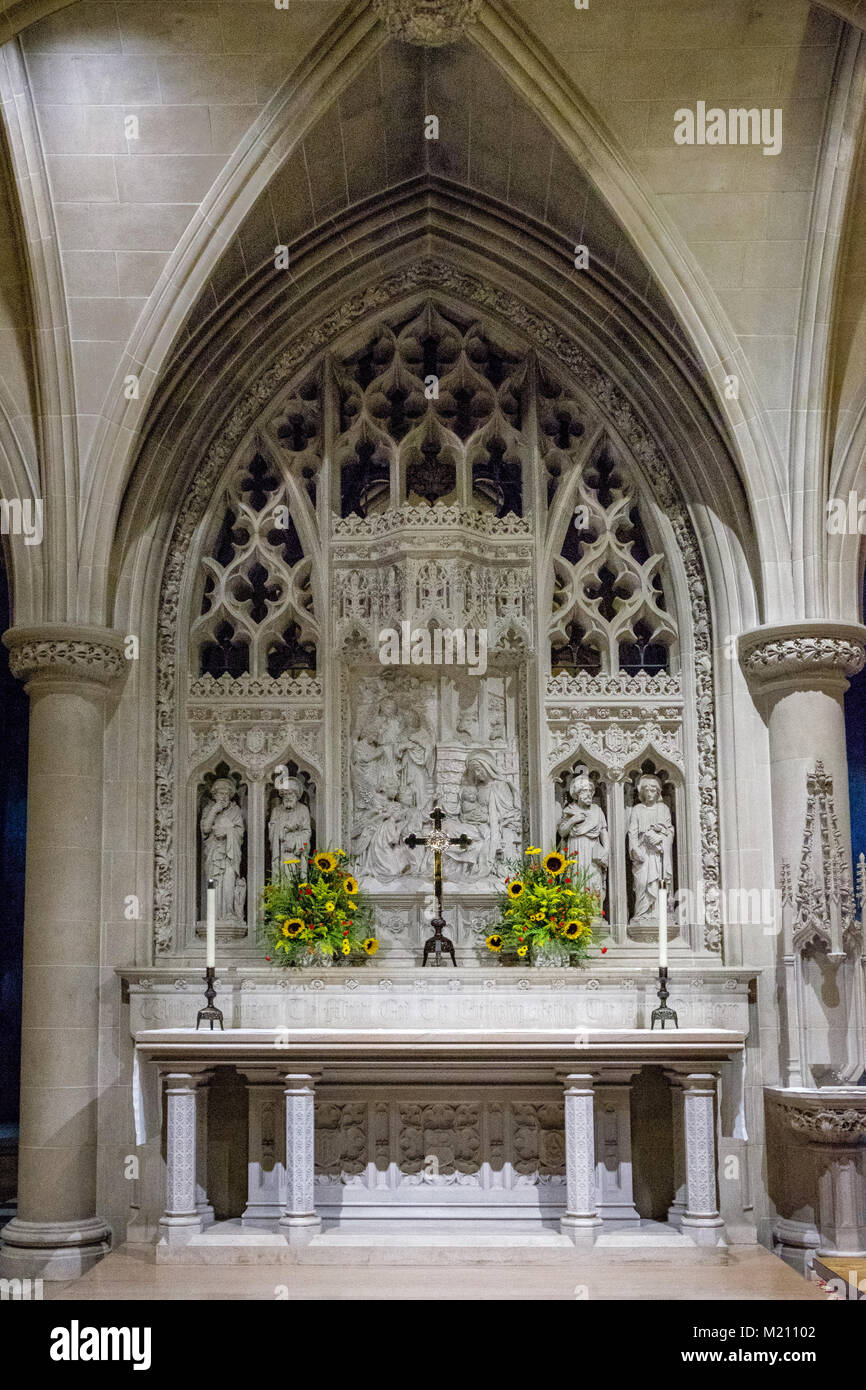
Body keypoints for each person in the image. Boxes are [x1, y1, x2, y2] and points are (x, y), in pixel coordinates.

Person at [627, 774, 674, 923]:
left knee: (658, 882)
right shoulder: (637, 809)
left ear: (658, 792)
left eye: (653, 790)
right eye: (646, 790)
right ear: (642, 792)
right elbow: (632, 833)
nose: (649, 793)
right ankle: (642, 913)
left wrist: (661, 837)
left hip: (659, 854)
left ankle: (658, 914)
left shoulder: (663, 808)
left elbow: (670, 830)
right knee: (642, 884)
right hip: (643, 855)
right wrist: (636, 850)